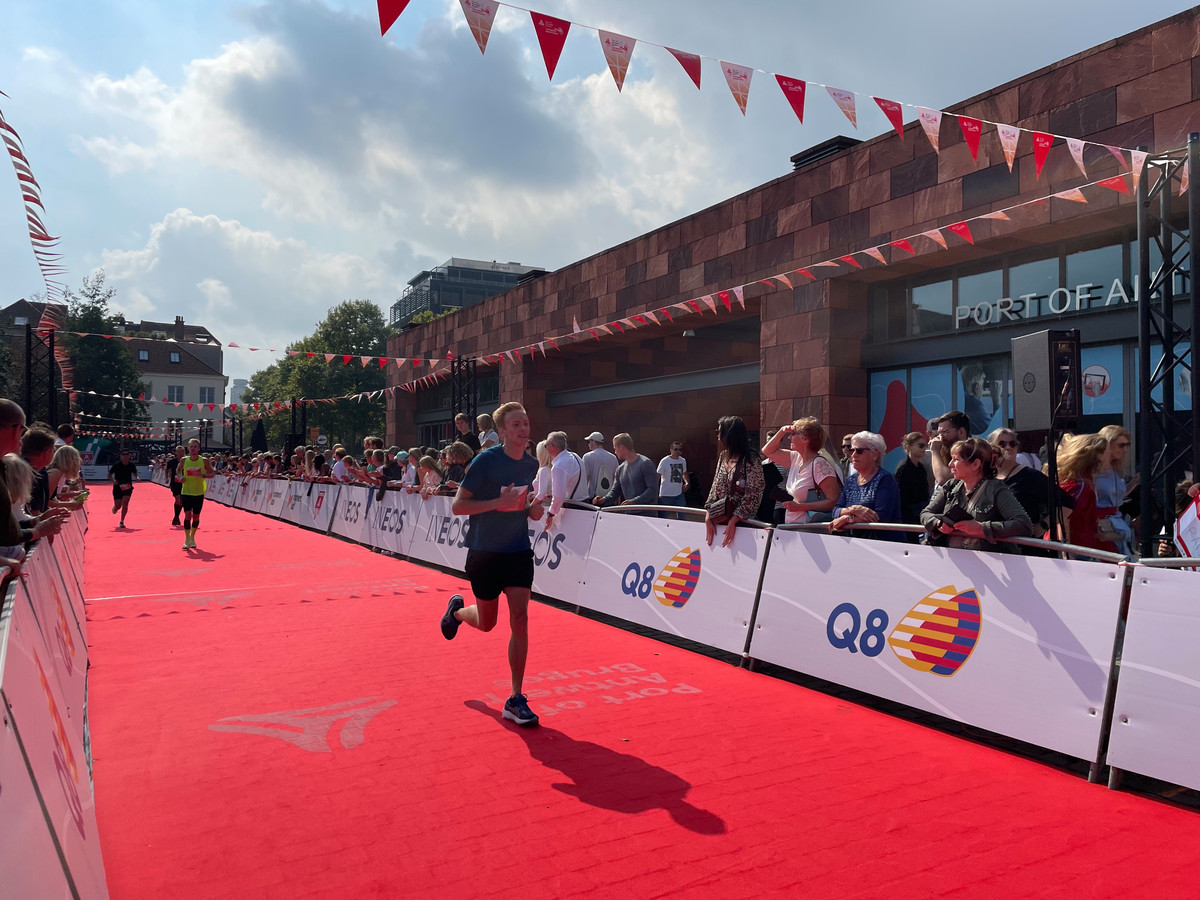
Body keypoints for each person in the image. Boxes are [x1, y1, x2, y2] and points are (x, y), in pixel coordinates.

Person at [441, 401, 545, 727]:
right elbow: (458, 507)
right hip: (484, 551)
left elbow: (525, 506)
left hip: (517, 550)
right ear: (502, 431)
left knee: (521, 618)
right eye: (516, 425)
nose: (523, 429)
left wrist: (533, 510)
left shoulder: (531, 464)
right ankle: (457, 611)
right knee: (487, 623)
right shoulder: (486, 461)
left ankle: (515, 697)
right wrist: (495, 503)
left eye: (526, 423)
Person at [921, 437, 1032, 553]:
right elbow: (925, 513)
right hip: (955, 562)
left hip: (991, 565)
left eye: (956, 459)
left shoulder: (995, 489)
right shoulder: (951, 486)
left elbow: (1023, 524)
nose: (950, 464)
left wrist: (981, 528)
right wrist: (937, 523)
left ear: (976, 464)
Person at [989, 428, 1067, 551]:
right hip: (995, 548)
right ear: (992, 448)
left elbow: (1067, 503)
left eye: (1012, 443)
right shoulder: (987, 477)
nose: (1008, 447)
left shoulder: (1031, 476)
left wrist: (1043, 525)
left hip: (1025, 549)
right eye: (1002, 444)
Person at [761, 417, 840, 524]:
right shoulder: (795, 458)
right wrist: (782, 431)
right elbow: (767, 451)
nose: (789, 437)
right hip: (793, 526)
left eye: (793, 434)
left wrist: (800, 507)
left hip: (811, 530)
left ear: (805, 439)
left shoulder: (819, 464)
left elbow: (833, 500)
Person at [704, 416, 765, 548]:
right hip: (720, 519)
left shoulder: (751, 459)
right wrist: (708, 513)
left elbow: (754, 493)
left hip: (744, 525)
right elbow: (715, 486)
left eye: (720, 432)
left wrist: (735, 519)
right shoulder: (723, 456)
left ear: (730, 434)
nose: (718, 436)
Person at [830, 432, 904, 541]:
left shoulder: (885, 479)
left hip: (885, 544)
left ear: (875, 455)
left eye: (859, 451)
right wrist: (854, 509)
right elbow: (835, 511)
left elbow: (880, 517)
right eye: (851, 450)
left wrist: (848, 518)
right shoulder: (850, 480)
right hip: (858, 544)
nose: (853, 455)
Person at [1056, 433, 1112, 554]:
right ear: (1095, 456)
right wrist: (1066, 554)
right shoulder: (1078, 487)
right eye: (1107, 452)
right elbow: (1062, 520)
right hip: (1077, 552)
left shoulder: (1084, 482)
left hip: (1082, 548)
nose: (1110, 457)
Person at [1095, 424, 1134, 555]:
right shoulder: (1094, 471)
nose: (1125, 449)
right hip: (1101, 524)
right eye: (1121, 445)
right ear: (1108, 444)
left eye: (1127, 445)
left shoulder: (1115, 469)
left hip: (1116, 524)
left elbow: (1117, 497)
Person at [537, 431, 584, 530]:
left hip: (571, 508)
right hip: (584, 505)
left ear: (552, 446)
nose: (546, 449)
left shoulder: (559, 465)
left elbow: (558, 496)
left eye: (546, 445)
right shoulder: (575, 456)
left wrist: (550, 514)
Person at [596, 434, 658, 507]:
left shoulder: (645, 463)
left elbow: (653, 490)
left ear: (622, 447)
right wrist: (603, 500)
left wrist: (634, 502)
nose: (615, 452)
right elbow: (615, 492)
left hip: (647, 514)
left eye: (615, 448)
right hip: (629, 514)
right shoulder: (620, 469)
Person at [179, 438, 215, 550]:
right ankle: (186, 539)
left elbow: (212, 473)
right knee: (187, 515)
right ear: (188, 448)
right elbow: (178, 470)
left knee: (196, 516)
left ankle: (192, 537)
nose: (193, 449)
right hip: (186, 491)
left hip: (198, 492)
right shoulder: (184, 460)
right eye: (191, 447)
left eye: (195, 447)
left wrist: (203, 476)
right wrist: (180, 477)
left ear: (199, 448)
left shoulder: (204, 460)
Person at [894, 432, 931, 535]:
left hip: (920, 514)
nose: (924, 448)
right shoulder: (903, 468)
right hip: (908, 516)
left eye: (925, 445)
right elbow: (899, 496)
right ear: (908, 447)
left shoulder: (921, 468)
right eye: (921, 445)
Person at [928, 410, 971, 486]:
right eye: (939, 433)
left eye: (945, 432)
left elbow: (943, 479)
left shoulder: (971, 451)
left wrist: (935, 452)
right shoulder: (945, 448)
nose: (940, 437)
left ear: (961, 432)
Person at [657, 441, 690, 515]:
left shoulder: (683, 461)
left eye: (680, 450)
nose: (678, 451)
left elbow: (684, 473)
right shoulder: (664, 461)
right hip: (665, 495)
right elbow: (658, 475)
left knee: (682, 516)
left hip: (678, 494)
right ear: (671, 450)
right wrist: (654, 490)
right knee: (663, 517)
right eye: (676, 449)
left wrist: (687, 483)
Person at [108, 447, 139, 528]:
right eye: (123, 454)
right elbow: (109, 474)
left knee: (125, 503)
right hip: (118, 487)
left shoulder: (131, 465)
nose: (125, 456)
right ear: (121, 456)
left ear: (129, 456)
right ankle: (115, 507)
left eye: (127, 454)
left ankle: (122, 521)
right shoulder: (117, 465)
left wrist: (137, 477)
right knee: (118, 505)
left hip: (128, 487)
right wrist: (113, 480)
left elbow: (135, 472)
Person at [582, 431, 617, 499]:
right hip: (609, 496)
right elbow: (616, 478)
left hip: (593, 496)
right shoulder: (613, 457)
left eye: (589, 442)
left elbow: (585, 478)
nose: (588, 444)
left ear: (593, 441)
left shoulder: (587, 456)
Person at [166, 444, 186, 526]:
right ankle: (176, 517)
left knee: (181, 501)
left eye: (182, 451)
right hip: (175, 483)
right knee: (178, 499)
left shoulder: (187, 461)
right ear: (176, 452)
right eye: (179, 451)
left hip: (184, 482)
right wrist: (166, 478)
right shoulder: (171, 462)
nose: (180, 453)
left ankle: (176, 517)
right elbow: (167, 470)